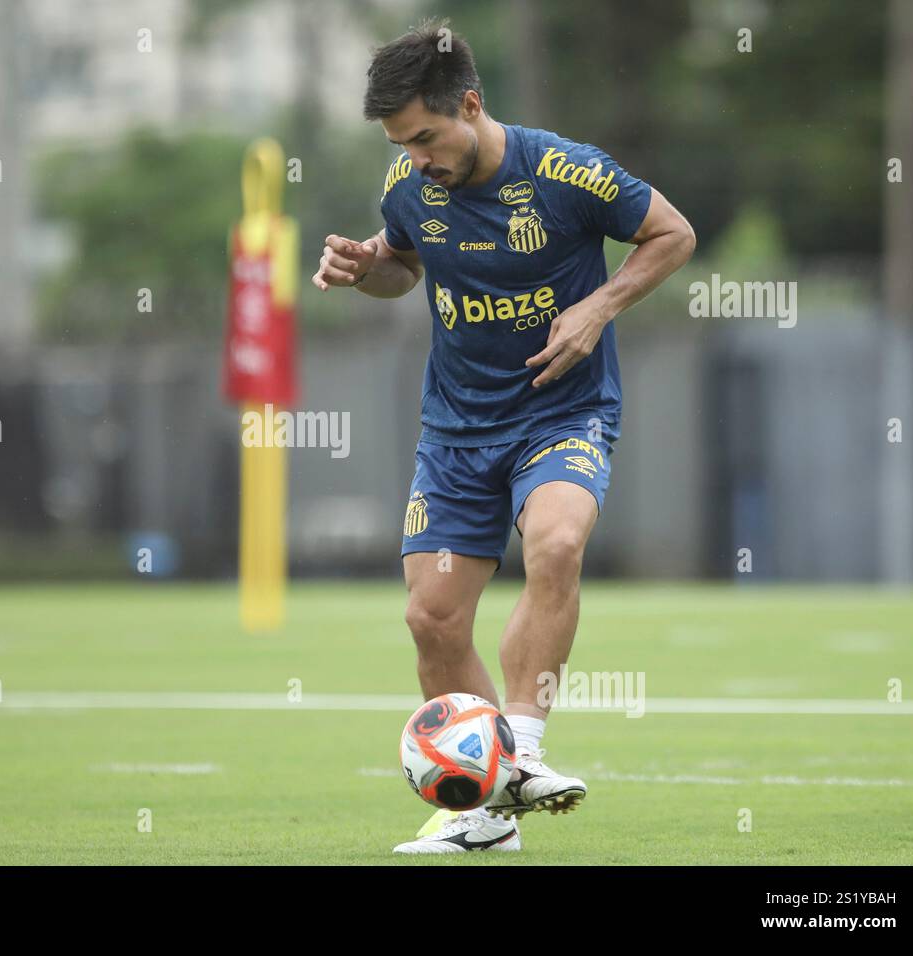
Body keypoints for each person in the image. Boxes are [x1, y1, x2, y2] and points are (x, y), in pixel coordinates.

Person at [312, 19, 696, 854]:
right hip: (455, 431)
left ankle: (521, 747)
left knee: (555, 544)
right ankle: (491, 813)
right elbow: (402, 265)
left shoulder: (564, 169)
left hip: (561, 412)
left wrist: (598, 307)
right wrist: (360, 267)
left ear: (471, 105)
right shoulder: (409, 186)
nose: (416, 156)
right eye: (400, 143)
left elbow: (674, 233)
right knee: (432, 619)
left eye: (425, 136)